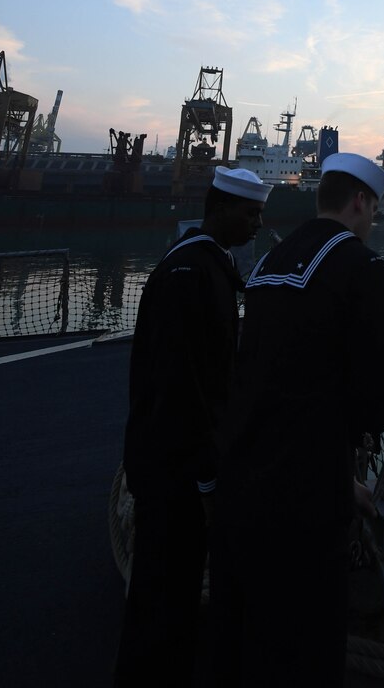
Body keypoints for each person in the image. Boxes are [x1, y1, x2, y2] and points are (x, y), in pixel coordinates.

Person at [210, 152, 384, 687]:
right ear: (360, 202)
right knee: (307, 651)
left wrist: (345, 483)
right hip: (302, 512)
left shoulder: (268, 265)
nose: (374, 221)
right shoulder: (360, 268)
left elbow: (277, 386)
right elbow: (374, 403)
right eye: (375, 210)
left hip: (239, 491)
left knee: (237, 646)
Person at [114, 165, 271, 688]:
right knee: (163, 597)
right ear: (221, 208)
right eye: (250, 213)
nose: (258, 223)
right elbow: (186, 392)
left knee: (173, 596)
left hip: (170, 465)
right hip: (174, 475)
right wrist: (207, 481)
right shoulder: (193, 276)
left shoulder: (201, 265)